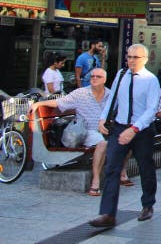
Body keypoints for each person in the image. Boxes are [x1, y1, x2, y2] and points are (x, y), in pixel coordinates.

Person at [90, 44, 160, 228]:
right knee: (112, 168)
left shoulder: (150, 80)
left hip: (141, 130)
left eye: (134, 57)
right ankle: (107, 213)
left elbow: (151, 110)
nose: (130, 60)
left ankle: (148, 204)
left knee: (146, 167)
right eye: (128, 56)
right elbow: (113, 99)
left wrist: (134, 129)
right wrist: (103, 118)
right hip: (120, 127)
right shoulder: (121, 75)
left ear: (144, 59)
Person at [33, 67, 132, 196]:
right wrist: (38, 104)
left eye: (98, 77)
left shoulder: (110, 95)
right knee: (103, 143)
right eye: (92, 76)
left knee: (128, 139)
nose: (94, 79)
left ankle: (122, 172)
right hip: (86, 131)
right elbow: (60, 102)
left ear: (105, 80)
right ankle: (95, 181)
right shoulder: (80, 93)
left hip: (106, 130)